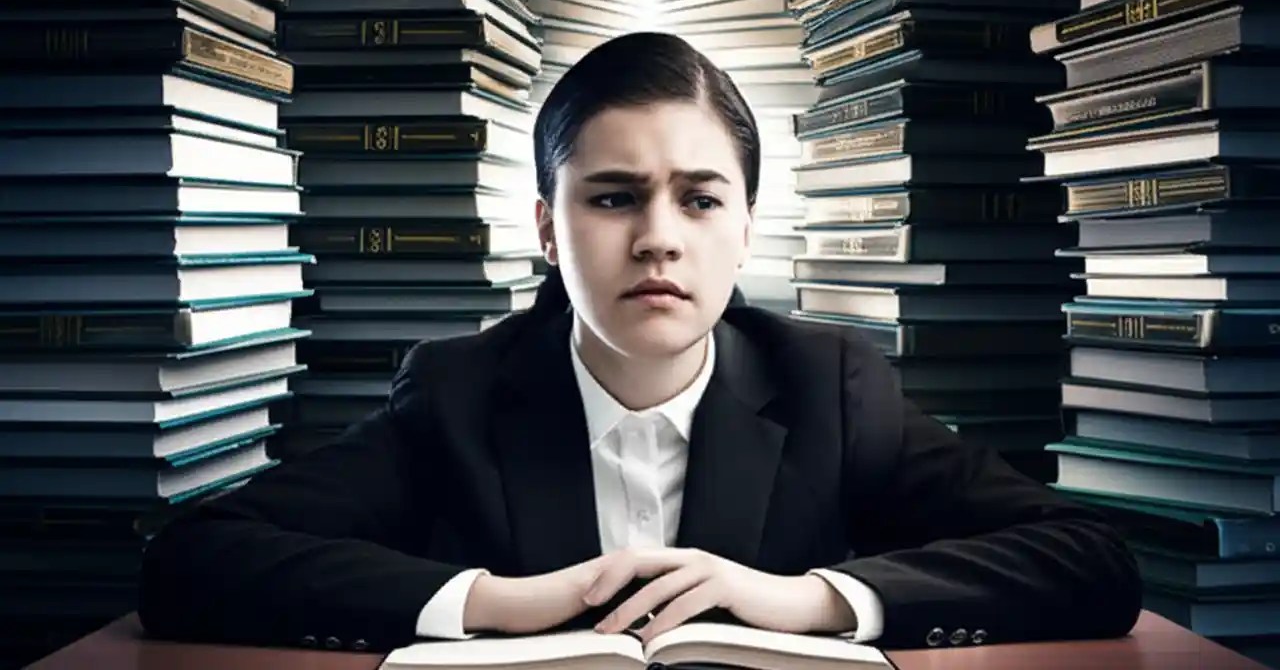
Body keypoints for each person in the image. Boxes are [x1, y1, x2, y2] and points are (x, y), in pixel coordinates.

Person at [137, 32, 1142, 654]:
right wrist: (493, 601)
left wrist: (807, 601)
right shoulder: (455, 390)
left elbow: (1089, 559)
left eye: (700, 200)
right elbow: (192, 562)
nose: (658, 237)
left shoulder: (828, 384)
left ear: (744, 229)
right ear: (547, 229)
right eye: (613, 198)